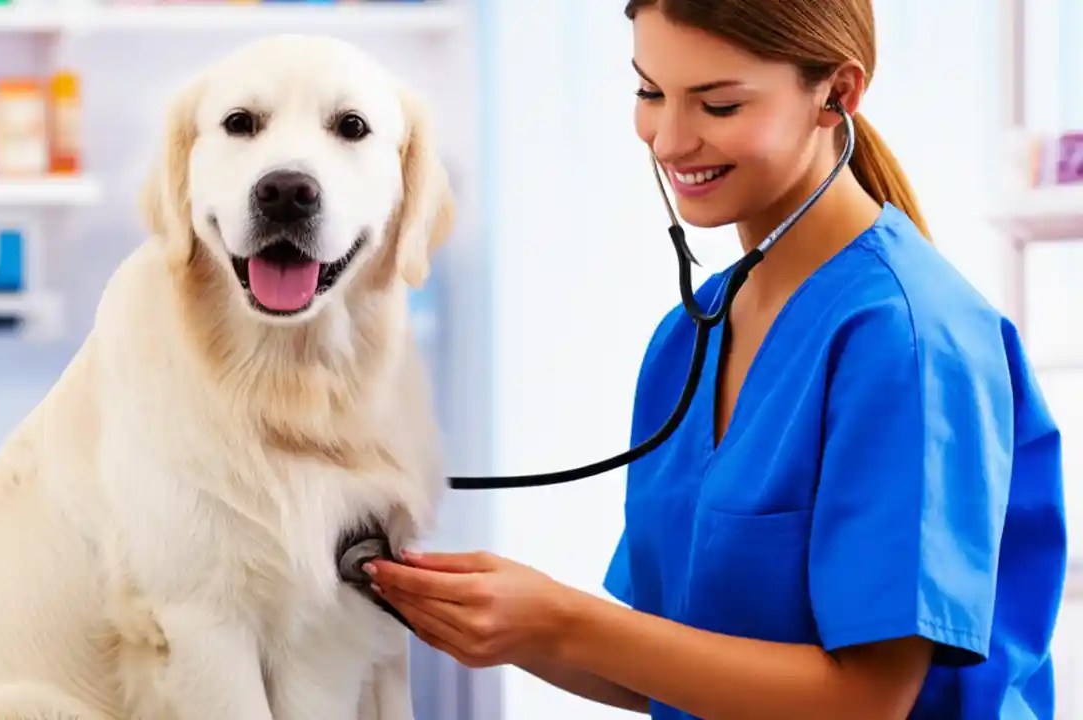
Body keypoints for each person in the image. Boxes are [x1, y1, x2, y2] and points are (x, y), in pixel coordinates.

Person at [366, 1, 1069, 718]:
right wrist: (489, 619)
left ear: (838, 94)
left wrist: (560, 620)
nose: (668, 141)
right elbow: (665, 668)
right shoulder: (691, 334)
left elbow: (866, 701)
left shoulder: (908, 337)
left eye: (720, 104)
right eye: (649, 93)